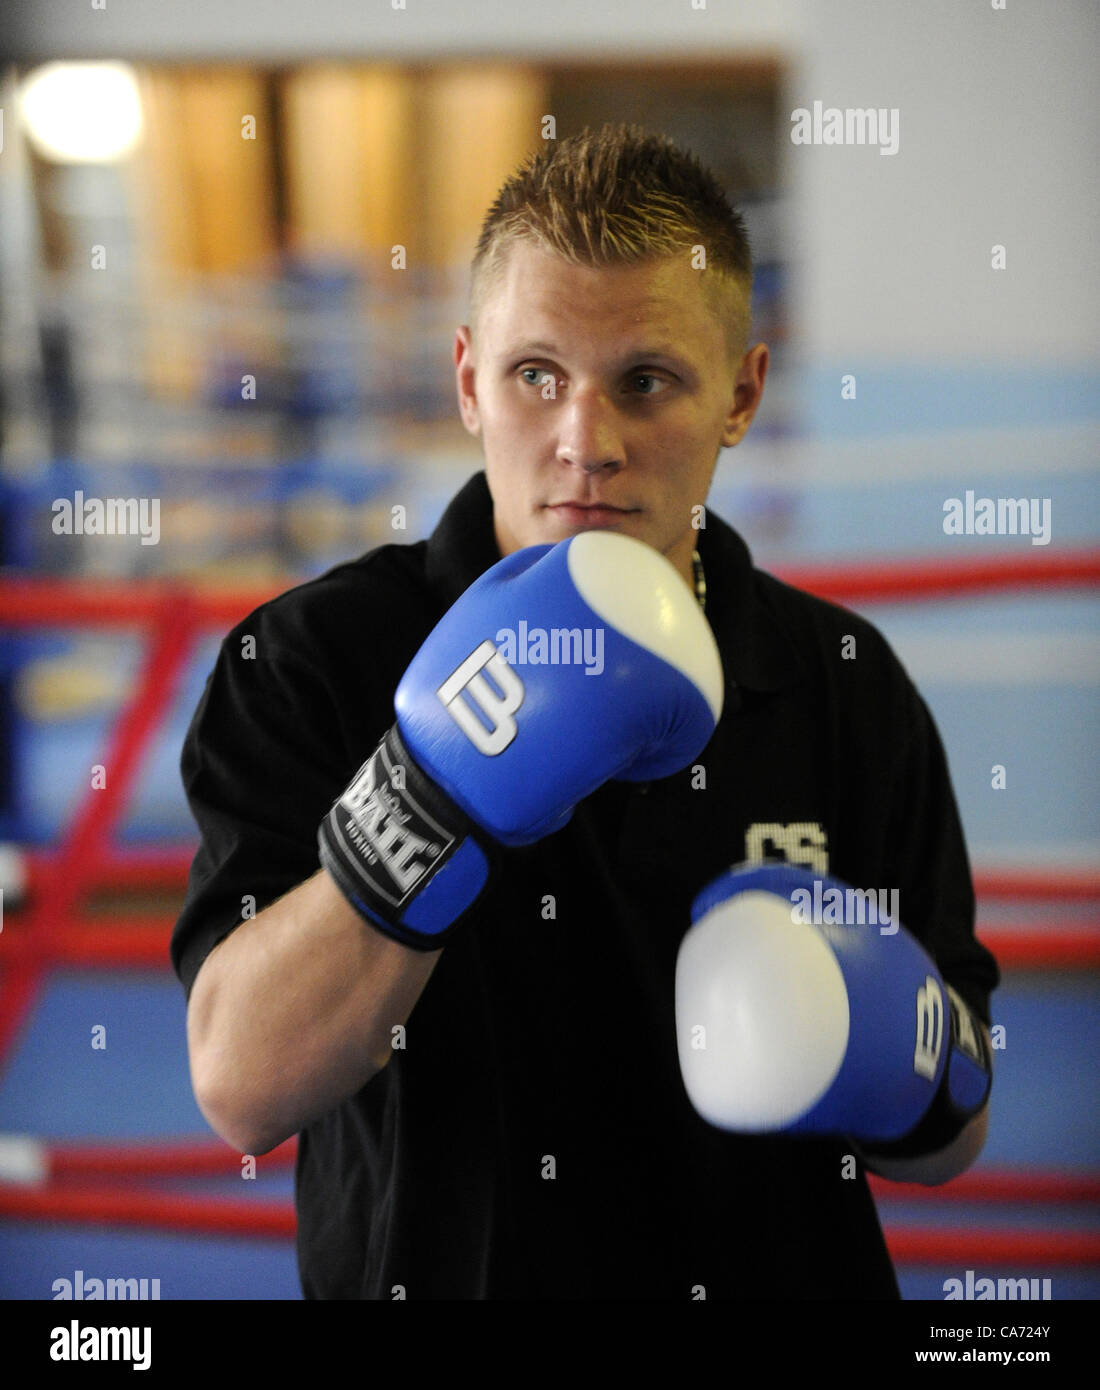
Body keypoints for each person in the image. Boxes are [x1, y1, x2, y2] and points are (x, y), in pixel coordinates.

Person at [172, 123, 999, 1300]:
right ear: (467, 381)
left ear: (741, 395)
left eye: (645, 381)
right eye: (535, 375)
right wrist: (427, 789)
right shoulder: (311, 661)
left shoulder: (841, 680)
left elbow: (958, 1128)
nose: (584, 442)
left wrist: (890, 1046)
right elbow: (239, 1087)